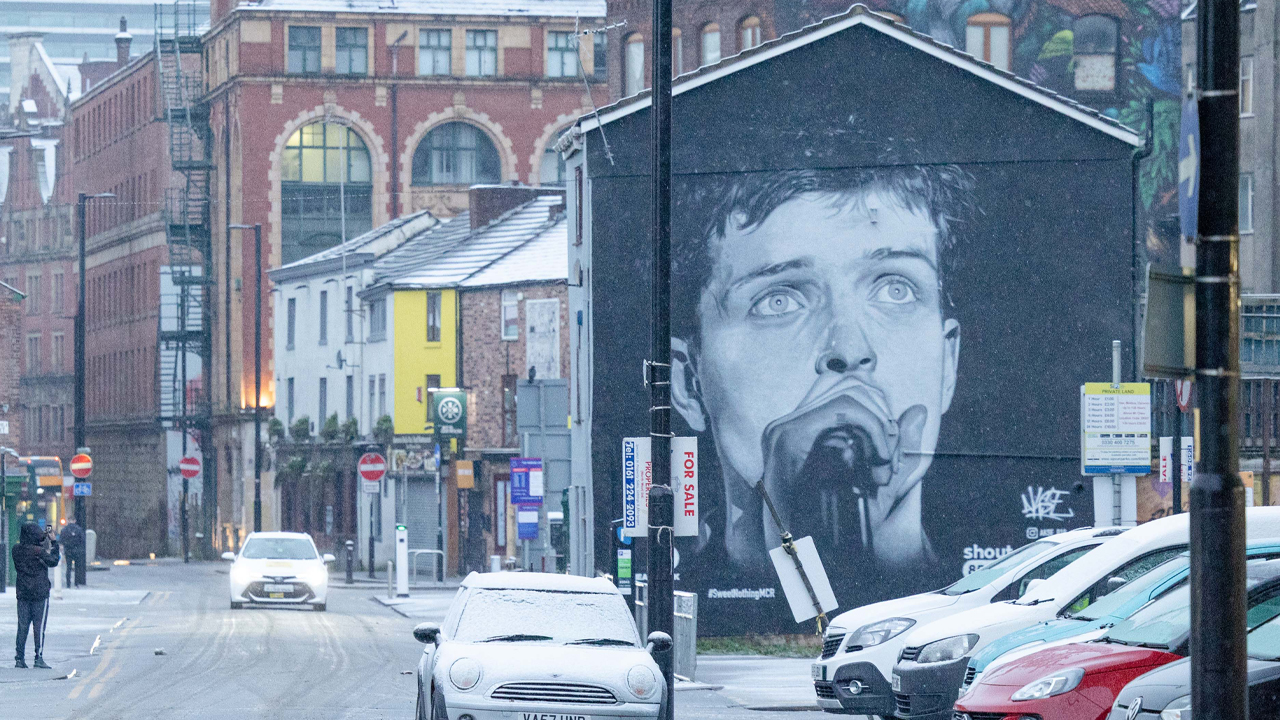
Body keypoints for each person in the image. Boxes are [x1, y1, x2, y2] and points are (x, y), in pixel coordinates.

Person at [669, 166, 973, 585]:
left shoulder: (984, 601)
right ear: (689, 384)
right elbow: (819, 630)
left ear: (947, 365)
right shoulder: (681, 598)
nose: (849, 351)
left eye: (895, 289)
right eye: (778, 301)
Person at [13, 522, 60, 669]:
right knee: (38, 627)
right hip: (39, 593)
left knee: (22, 626)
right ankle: (38, 657)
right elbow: (53, 561)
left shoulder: (16, 550)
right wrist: (53, 542)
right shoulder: (38, 552)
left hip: (23, 593)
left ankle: (19, 658)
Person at [60, 520, 86, 587]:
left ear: (68, 521)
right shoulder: (79, 529)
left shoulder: (64, 530)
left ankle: (68, 584)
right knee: (77, 567)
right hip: (77, 550)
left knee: (68, 567)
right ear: (75, 521)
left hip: (68, 551)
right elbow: (82, 540)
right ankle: (76, 583)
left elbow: (61, 540)